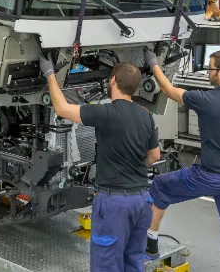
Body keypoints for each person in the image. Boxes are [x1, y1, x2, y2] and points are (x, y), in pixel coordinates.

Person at [143, 48, 220, 272]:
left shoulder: (206, 99)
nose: (207, 72)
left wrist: (153, 64)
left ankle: (150, 243)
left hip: (211, 177)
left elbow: (169, 90)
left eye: (210, 68)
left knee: (160, 185)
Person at [40, 54, 160, 272]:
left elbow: (62, 109)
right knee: (134, 261)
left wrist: (50, 74)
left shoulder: (106, 113)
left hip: (115, 203)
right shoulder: (146, 115)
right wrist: (132, 164)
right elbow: (155, 156)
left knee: (107, 264)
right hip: (142, 201)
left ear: (112, 81)